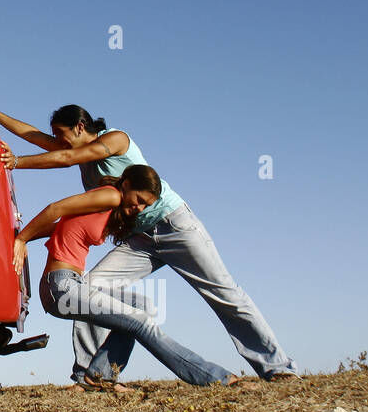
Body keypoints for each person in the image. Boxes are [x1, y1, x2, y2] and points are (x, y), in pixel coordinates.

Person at [0, 90, 299, 383]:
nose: (57, 141)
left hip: (174, 226)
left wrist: (17, 162)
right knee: (90, 290)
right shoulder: (79, 153)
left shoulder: (115, 139)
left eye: (62, 134)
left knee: (224, 293)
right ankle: (89, 375)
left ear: (81, 127)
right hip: (139, 241)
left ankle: (277, 367)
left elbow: (65, 159)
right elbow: (39, 139)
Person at [16, 164, 239, 391]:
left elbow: (60, 226)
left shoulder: (110, 209)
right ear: (127, 184)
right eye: (139, 199)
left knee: (142, 305)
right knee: (140, 323)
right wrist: (21, 239)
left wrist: (22, 238)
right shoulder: (111, 195)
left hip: (73, 284)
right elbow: (56, 208)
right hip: (61, 287)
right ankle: (214, 377)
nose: (139, 208)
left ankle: (99, 376)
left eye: (146, 205)